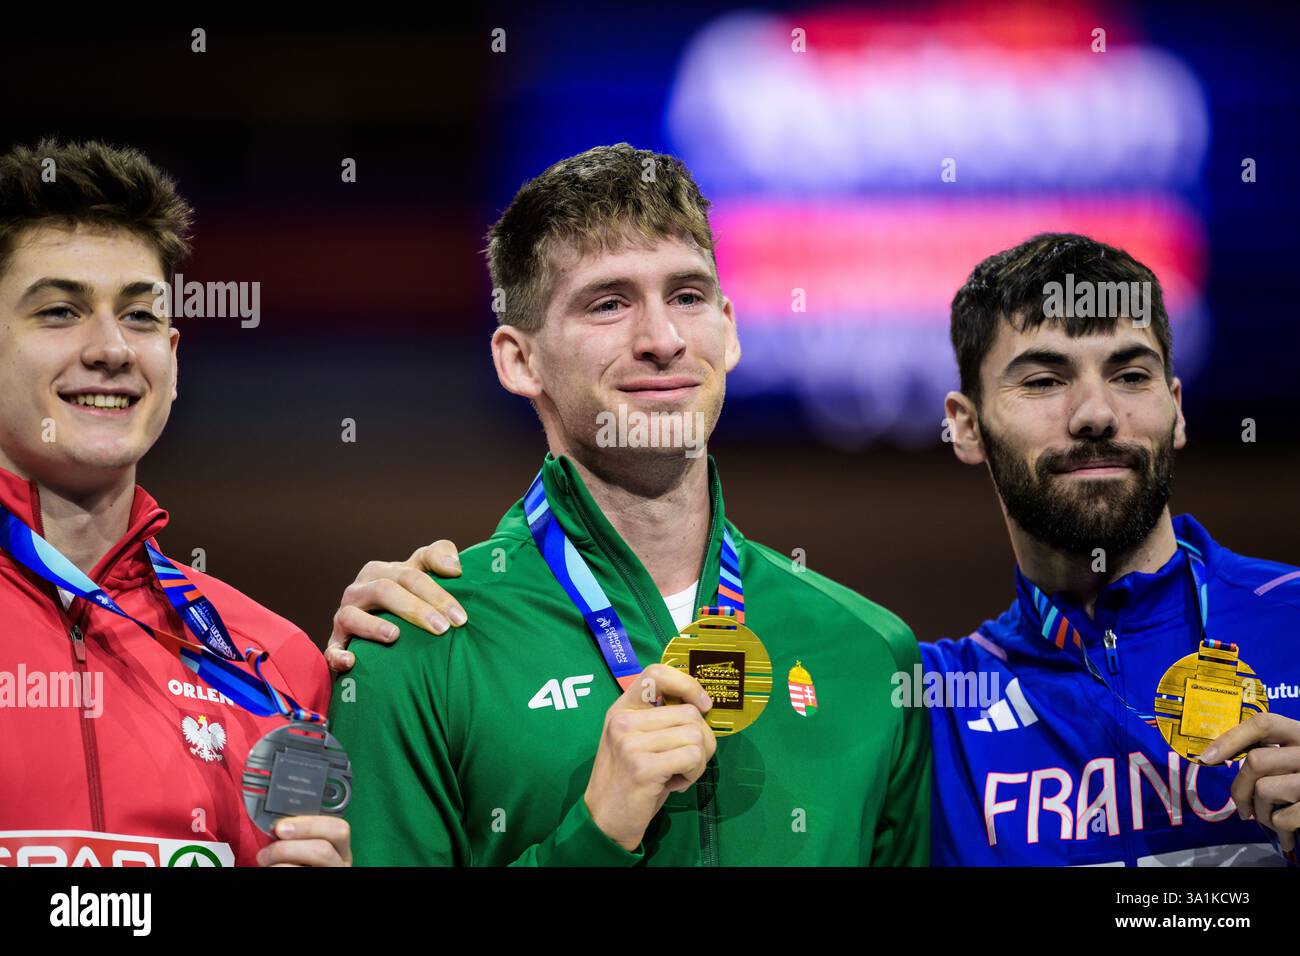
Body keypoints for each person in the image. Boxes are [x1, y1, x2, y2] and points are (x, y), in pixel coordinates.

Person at [329, 144, 930, 866]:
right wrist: (595, 834)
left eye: (687, 296)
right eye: (609, 304)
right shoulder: (418, 649)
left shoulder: (870, 653)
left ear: (730, 329)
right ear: (520, 360)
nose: (663, 341)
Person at [0, 139, 463, 867]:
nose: (113, 349)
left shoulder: (274, 664)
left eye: (142, 317)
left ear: (173, 360)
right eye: (61, 311)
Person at [924, 233, 1300, 865]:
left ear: (1176, 410)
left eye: (1130, 375)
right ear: (966, 425)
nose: (1096, 414)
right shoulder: (934, 713)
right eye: (1044, 381)